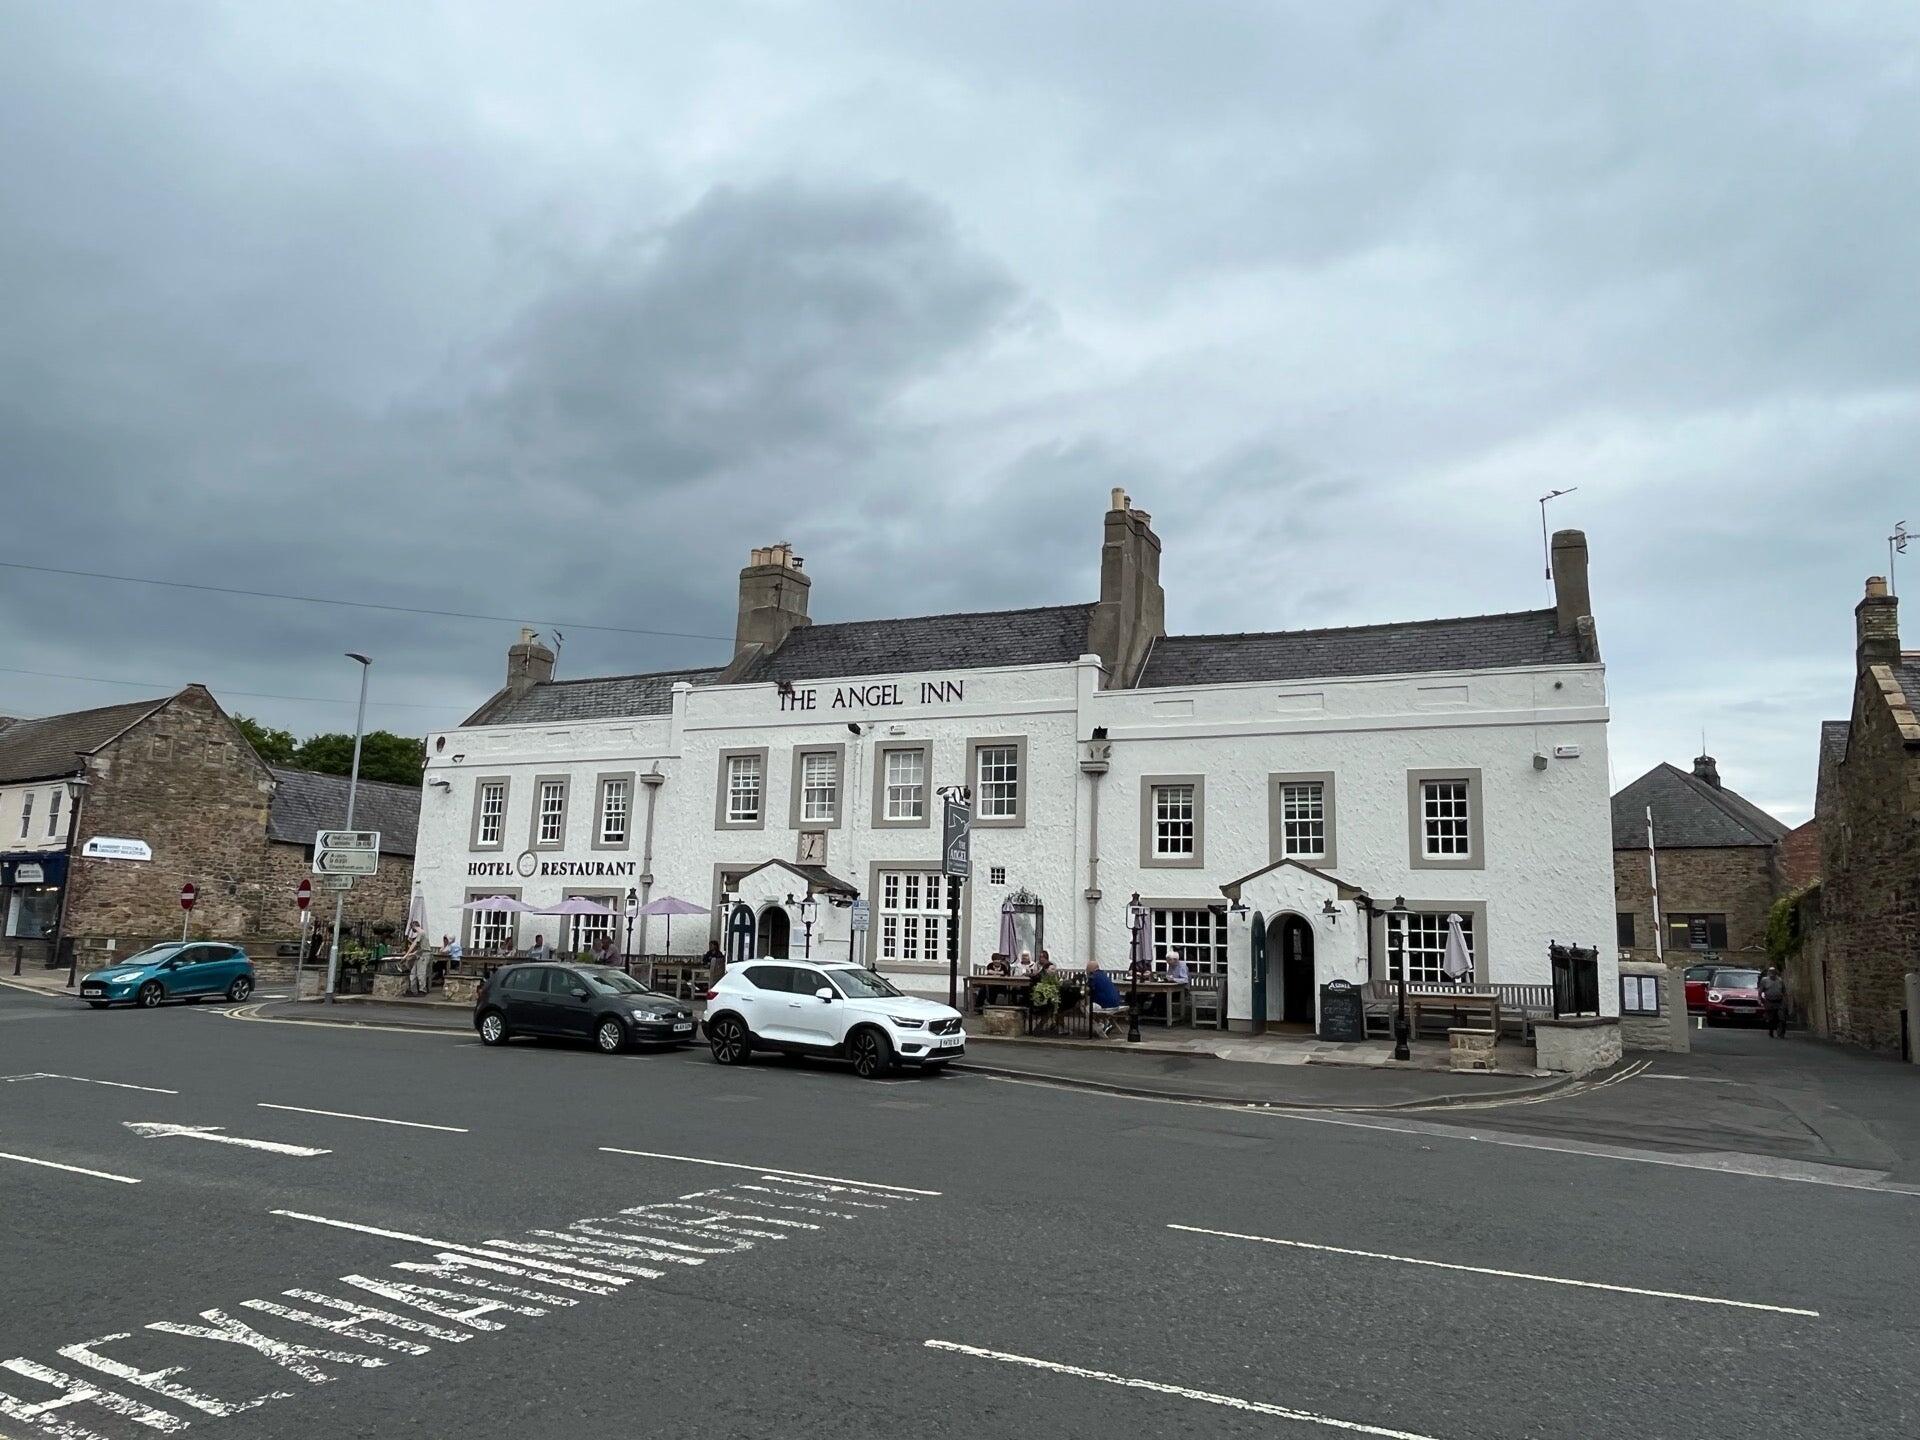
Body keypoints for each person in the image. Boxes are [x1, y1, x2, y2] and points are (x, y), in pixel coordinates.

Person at [1085, 959, 1128, 1038]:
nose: (1086, 970)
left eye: (1087, 968)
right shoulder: (1103, 975)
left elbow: (1087, 990)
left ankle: (1101, 1027)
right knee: (1092, 1006)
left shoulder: (1093, 977)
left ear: (1091, 969)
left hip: (1107, 1005)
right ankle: (1105, 1023)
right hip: (1116, 1003)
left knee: (1087, 1009)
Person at [1758, 965, 1788, 1038]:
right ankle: (1771, 1031)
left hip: (1779, 1001)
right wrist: (1760, 999)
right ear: (1768, 973)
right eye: (1770, 972)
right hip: (1769, 1001)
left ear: (1776, 973)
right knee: (1771, 1018)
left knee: (1782, 1018)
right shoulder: (1765, 980)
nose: (1772, 974)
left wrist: (1785, 1000)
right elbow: (1760, 991)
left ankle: (1781, 1033)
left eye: (1773, 972)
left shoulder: (1780, 980)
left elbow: (1784, 991)